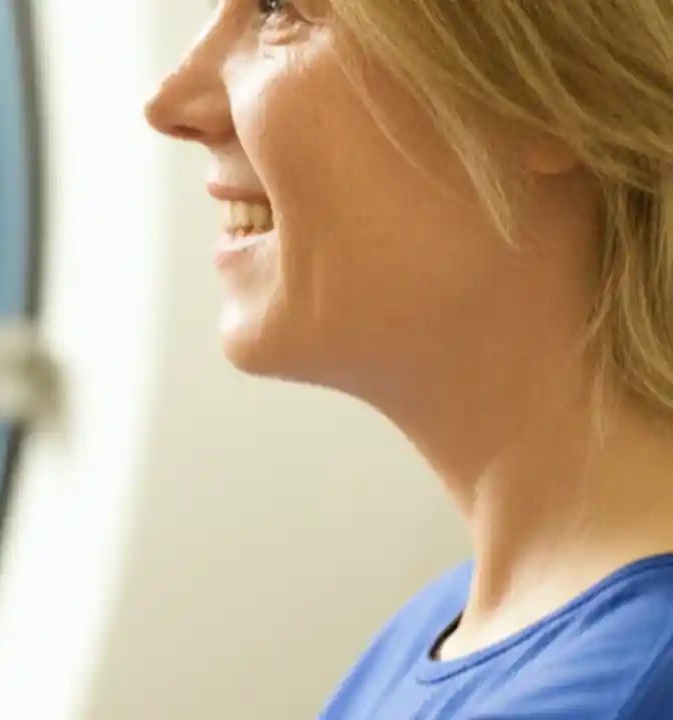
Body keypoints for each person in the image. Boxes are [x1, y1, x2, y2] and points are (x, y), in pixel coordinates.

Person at [145, 0, 673, 716]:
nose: (172, 101)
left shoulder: (614, 690)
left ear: (553, 94)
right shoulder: (446, 624)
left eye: (277, 9)